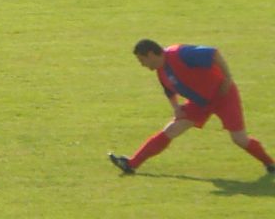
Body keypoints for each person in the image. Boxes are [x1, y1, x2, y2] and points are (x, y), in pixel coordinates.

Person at [109, 40, 275, 176]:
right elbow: (168, 90)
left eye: (141, 60)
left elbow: (213, 53)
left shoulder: (180, 53)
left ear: (151, 54)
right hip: (200, 103)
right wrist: (176, 108)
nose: (142, 64)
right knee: (172, 129)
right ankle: (131, 164)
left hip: (224, 95)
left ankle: (270, 163)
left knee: (239, 139)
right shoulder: (161, 70)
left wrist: (227, 79)